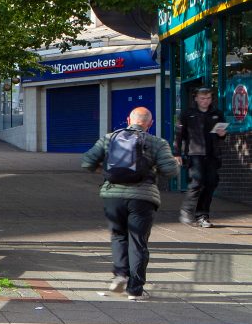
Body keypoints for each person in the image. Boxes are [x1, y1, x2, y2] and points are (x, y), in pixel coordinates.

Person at [79, 107, 180, 301]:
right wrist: (168, 165)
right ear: (150, 124)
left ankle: (119, 279)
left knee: (118, 237)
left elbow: (87, 161)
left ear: (128, 120)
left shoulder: (109, 138)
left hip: (113, 196)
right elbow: (170, 171)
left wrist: (107, 170)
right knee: (138, 242)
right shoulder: (157, 142)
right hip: (143, 198)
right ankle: (135, 290)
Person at [175, 87, 227, 228]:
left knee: (210, 183)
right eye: (202, 98)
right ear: (196, 98)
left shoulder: (216, 113)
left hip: (212, 154)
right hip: (194, 153)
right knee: (197, 182)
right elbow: (179, 134)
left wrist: (222, 134)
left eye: (208, 98)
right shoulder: (188, 114)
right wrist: (177, 153)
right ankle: (187, 211)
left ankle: (202, 216)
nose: (205, 101)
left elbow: (221, 135)